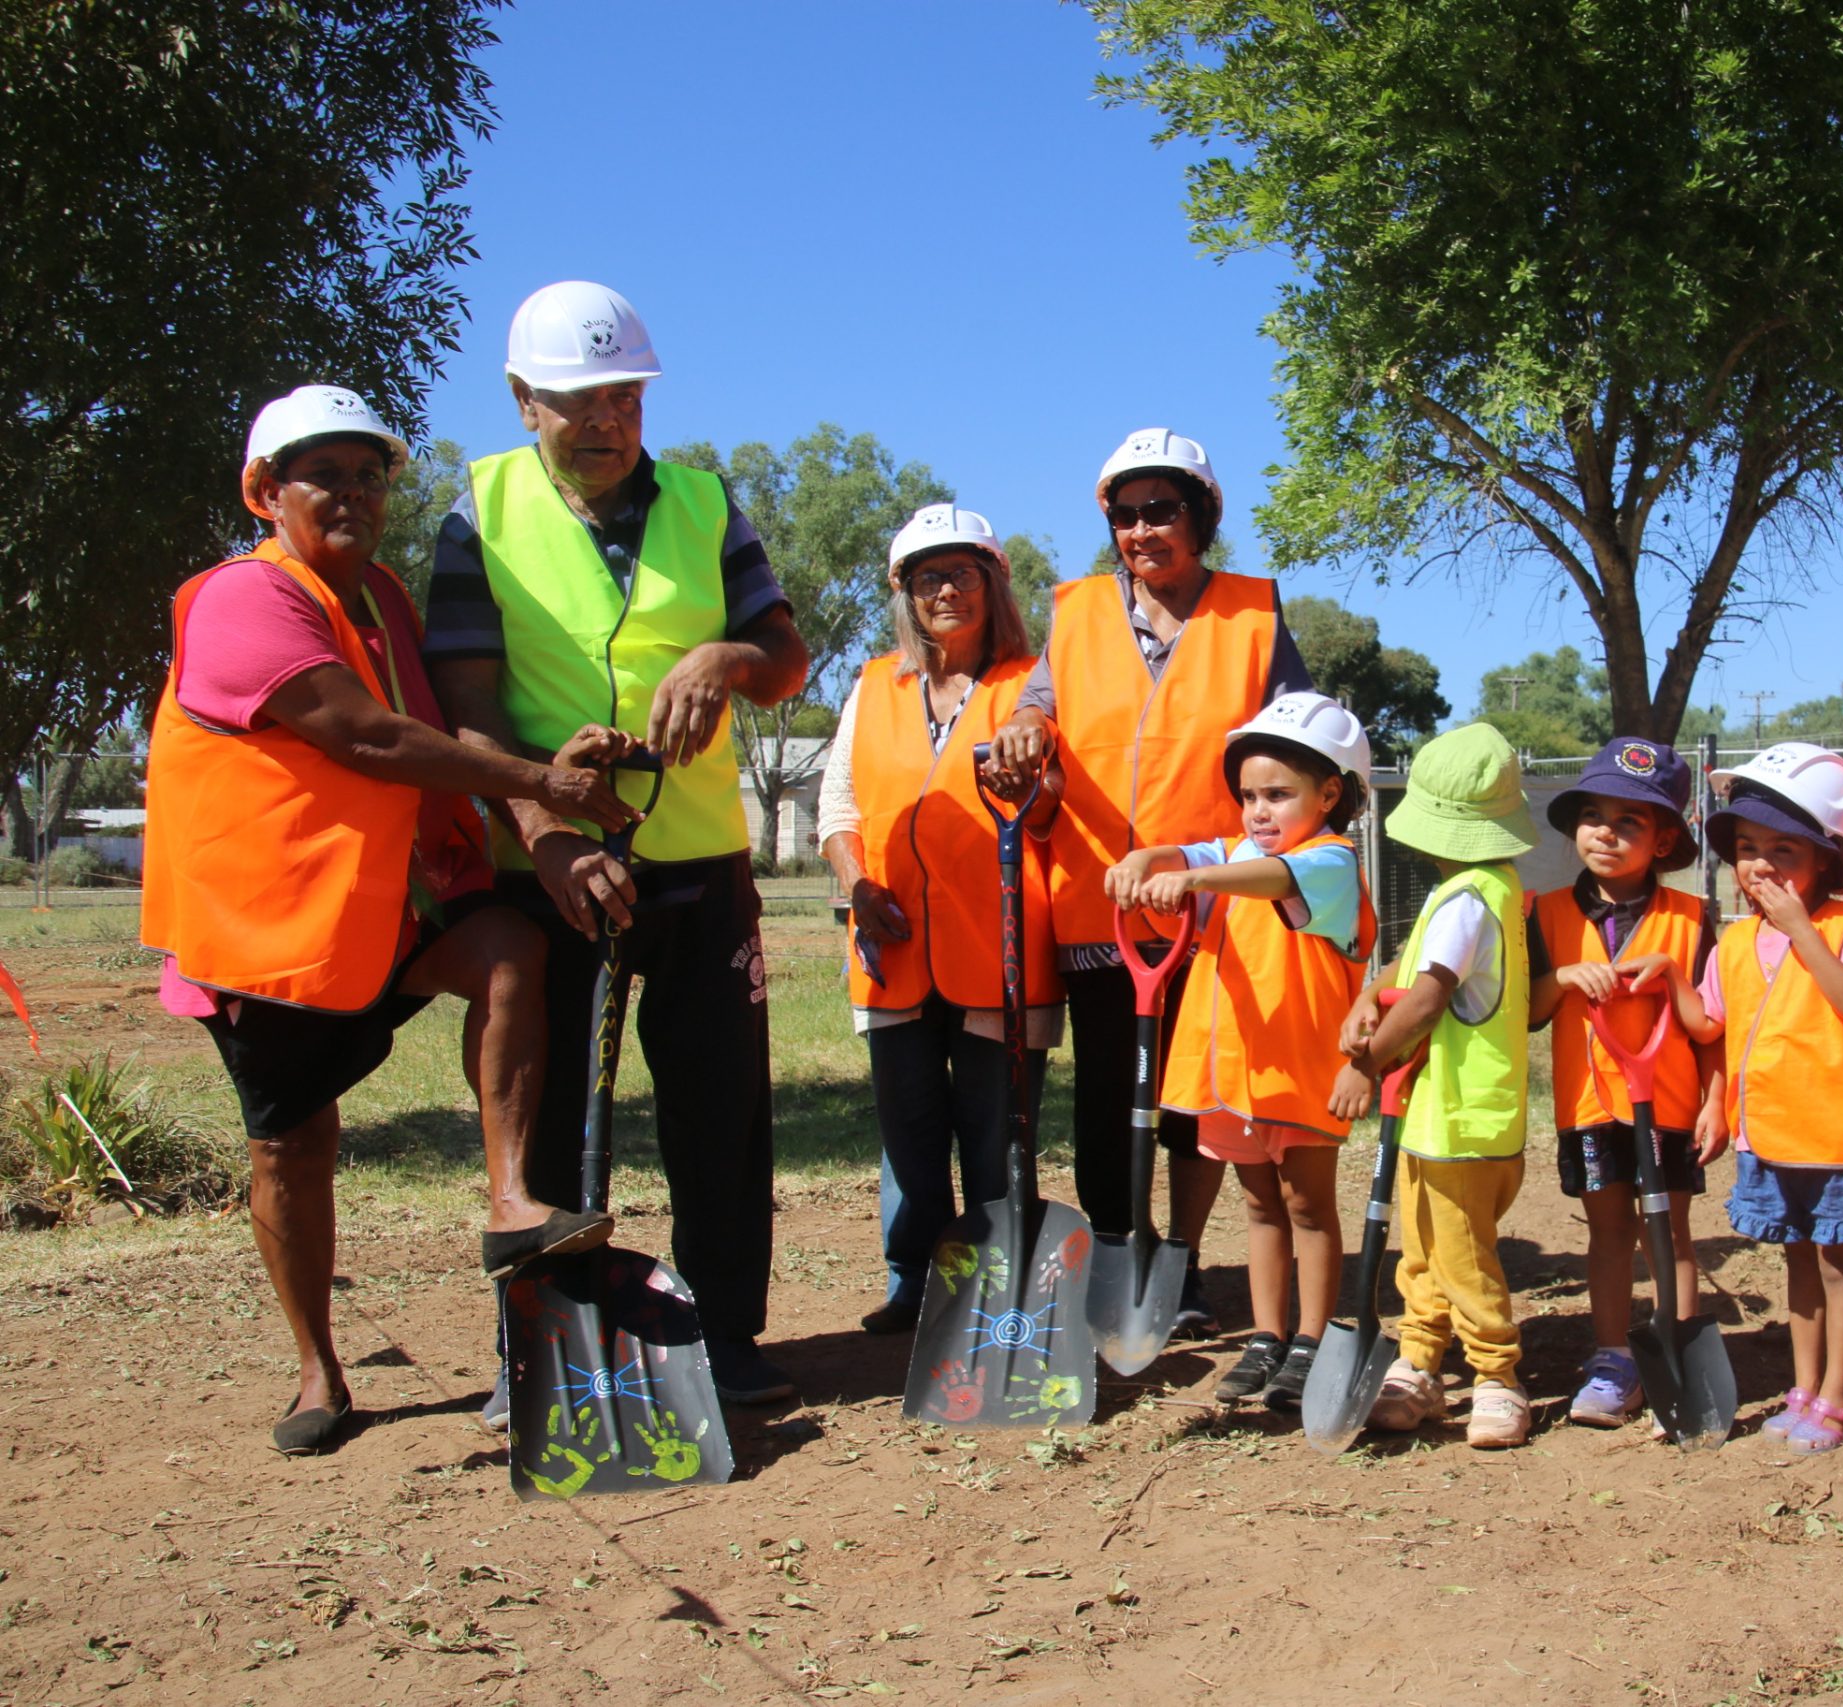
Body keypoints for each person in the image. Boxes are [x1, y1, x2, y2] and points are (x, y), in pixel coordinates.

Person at [143, 385, 641, 1454]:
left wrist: (544, 775)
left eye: (371, 476)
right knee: (294, 1147)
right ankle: (319, 1369)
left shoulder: (383, 605)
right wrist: (540, 790)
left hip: (386, 906)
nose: (356, 495)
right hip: (267, 931)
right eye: (328, 474)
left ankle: (510, 1200)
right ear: (266, 492)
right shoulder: (240, 599)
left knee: (510, 947)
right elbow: (365, 737)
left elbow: (433, 729)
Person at [425, 282, 812, 1416]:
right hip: (552, 867)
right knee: (547, 1118)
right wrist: (541, 834)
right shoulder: (479, 513)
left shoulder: (705, 504)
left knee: (719, 1108)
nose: (604, 422)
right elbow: (464, 704)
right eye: (575, 401)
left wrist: (726, 660)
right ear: (520, 401)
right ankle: (541, 1347)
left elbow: (784, 653)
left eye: (624, 399)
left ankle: (726, 1338)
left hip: (698, 862)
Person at [984, 429, 1314, 1339]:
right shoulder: (1079, 612)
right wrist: (1022, 729)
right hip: (1101, 898)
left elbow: (1299, 734)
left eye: (1161, 510)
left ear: (1200, 516)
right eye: (1125, 515)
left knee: (1191, 1094)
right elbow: (1039, 707)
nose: (1141, 530)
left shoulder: (1252, 617)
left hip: (1213, 900)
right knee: (1106, 1091)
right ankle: (1120, 1243)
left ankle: (1186, 1258)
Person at [816, 505, 1059, 1336]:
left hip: (1002, 940)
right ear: (906, 595)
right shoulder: (874, 683)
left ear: (992, 583)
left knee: (996, 1126)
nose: (944, 590)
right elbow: (838, 804)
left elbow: (1061, 799)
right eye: (927, 577)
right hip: (891, 938)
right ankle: (914, 1277)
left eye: (961, 573)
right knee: (908, 1121)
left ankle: (997, 1278)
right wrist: (855, 883)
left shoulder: (1031, 680)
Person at [1108, 693, 1377, 1408]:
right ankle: (1268, 1335)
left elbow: (1268, 880)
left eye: (1278, 795)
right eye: (1249, 795)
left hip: (1303, 1069)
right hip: (1234, 1072)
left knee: (1308, 1205)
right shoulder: (1234, 851)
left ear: (1329, 793)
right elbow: (1189, 853)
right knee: (1260, 1206)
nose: (1259, 810)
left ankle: (1314, 1338)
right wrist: (1146, 855)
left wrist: (1194, 878)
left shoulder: (1331, 861)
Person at [1647, 746, 1843, 1452]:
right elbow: (1715, 1027)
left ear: (1827, 860)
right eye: (1749, 848)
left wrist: (1799, 929)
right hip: (1771, 1137)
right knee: (1796, 1259)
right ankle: (1804, 1384)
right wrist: (1672, 973)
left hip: (1834, 1136)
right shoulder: (1733, 940)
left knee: (1835, 1260)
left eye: (1783, 850)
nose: (1761, 864)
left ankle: (1839, 1396)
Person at [1337, 723, 1538, 1449]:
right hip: (1452, 1114)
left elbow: (1426, 1000)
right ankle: (1419, 1360)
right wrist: (1371, 989)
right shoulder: (1491, 887)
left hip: (1461, 1117)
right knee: (1421, 1244)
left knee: (1460, 1253)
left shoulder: (1466, 897)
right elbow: (1409, 971)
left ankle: (1496, 1375)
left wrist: (1365, 1065)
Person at [1524, 738, 1710, 1429]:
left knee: (1673, 1233)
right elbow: (1530, 1012)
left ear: (1663, 840)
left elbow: (1709, 1026)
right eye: (1594, 814)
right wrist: (1563, 976)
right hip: (1589, 1103)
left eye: (1630, 821)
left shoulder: (1692, 920)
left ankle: (1676, 1352)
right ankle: (1612, 1358)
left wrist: (1717, 1100)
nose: (1606, 831)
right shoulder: (1546, 914)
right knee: (1607, 1231)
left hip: (1667, 1104)